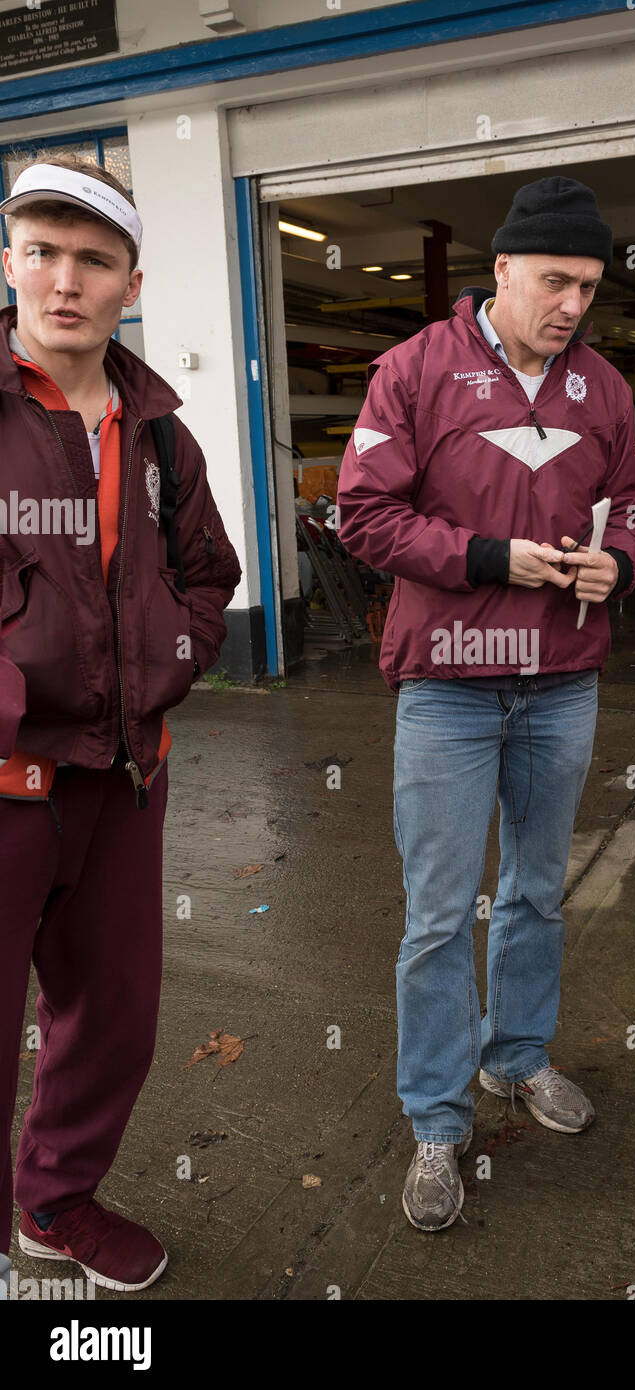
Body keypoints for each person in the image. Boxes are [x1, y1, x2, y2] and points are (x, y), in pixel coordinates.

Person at [338, 176, 635, 1231]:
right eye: (555, 280)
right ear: (503, 270)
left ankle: (516, 1057)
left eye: (590, 287)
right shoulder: (414, 371)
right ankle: (435, 1118)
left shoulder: (602, 386)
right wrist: (483, 556)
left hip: (561, 682)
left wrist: (623, 561)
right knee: (436, 914)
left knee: (536, 890)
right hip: (450, 688)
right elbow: (363, 516)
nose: (572, 304)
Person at [0, 155, 241, 1291]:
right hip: (4, 784)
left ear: (129, 280)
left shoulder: (158, 436)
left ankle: (53, 1202)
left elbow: (210, 576)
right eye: (42, 252)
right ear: (9, 261)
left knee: (115, 1018)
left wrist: (160, 673)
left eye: (93, 260)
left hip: (125, 777)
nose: (64, 280)